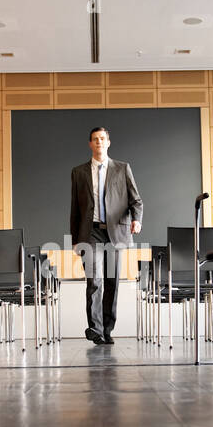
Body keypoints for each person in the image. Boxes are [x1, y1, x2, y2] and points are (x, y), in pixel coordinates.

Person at [70, 125, 143, 345]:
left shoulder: (122, 168)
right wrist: (76, 240)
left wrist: (137, 219)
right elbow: (75, 208)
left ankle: (107, 329)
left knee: (111, 282)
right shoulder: (78, 172)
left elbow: (135, 200)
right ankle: (95, 329)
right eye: (95, 139)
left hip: (115, 233)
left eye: (102, 138)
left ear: (108, 142)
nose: (99, 142)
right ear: (90, 144)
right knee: (95, 280)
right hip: (90, 233)